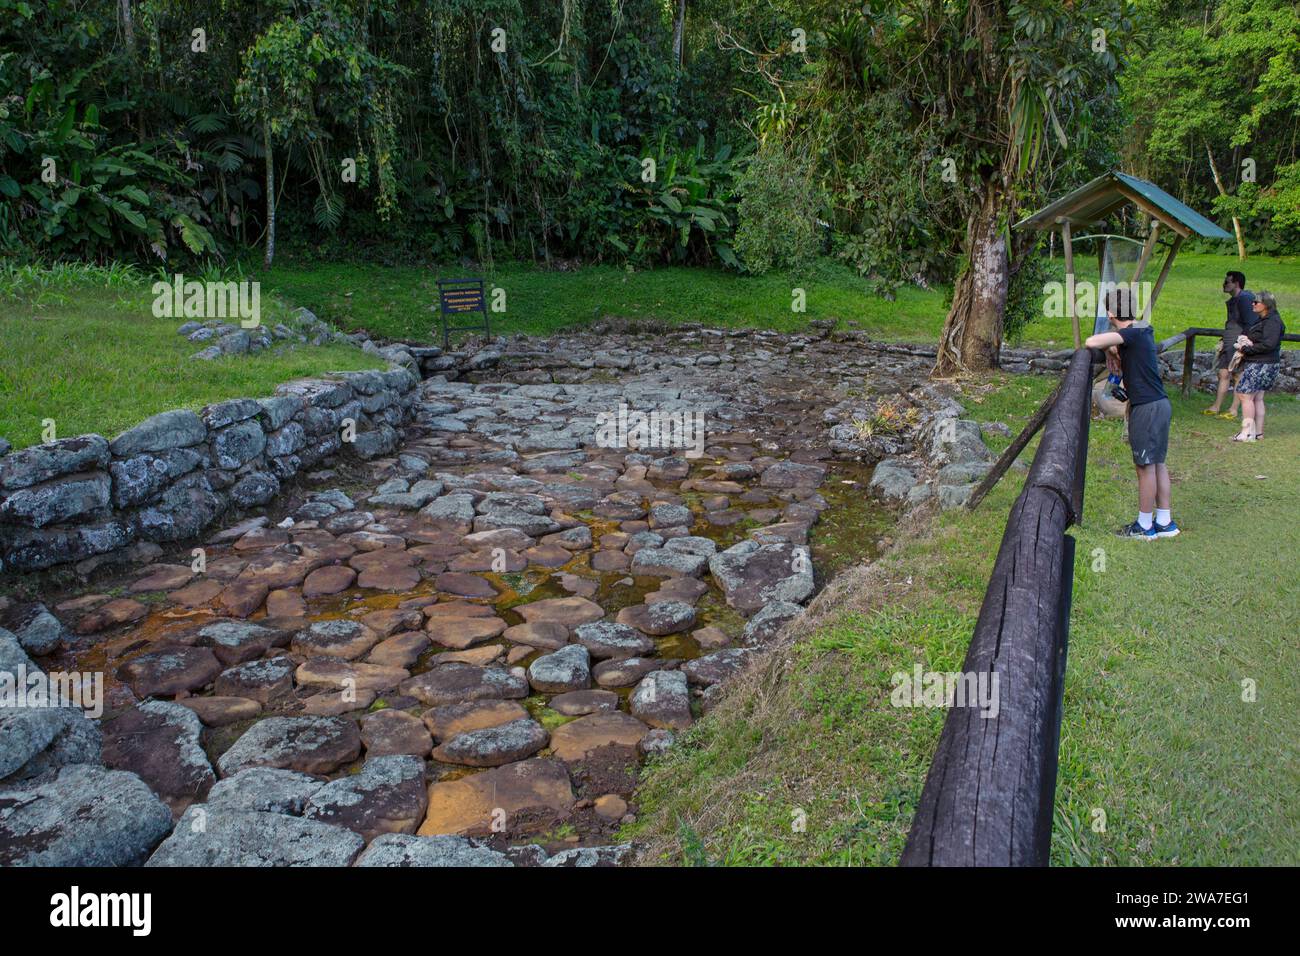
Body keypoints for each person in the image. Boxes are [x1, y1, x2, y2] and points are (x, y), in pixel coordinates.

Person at [1085, 290, 1179, 539]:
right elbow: (1121, 347)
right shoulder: (1141, 331)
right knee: (1157, 463)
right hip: (1159, 404)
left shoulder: (1130, 333)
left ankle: (1145, 526)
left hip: (1147, 408)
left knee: (1144, 466)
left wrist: (1106, 346)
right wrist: (1113, 351)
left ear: (1110, 313)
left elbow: (1090, 342)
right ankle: (1165, 521)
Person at [1231, 290, 1285, 442]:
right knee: (1257, 398)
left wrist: (1246, 348)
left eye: (1256, 302)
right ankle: (1258, 433)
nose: (1252, 304)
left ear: (1266, 305)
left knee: (1245, 395)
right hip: (1264, 363)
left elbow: (1269, 344)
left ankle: (1247, 433)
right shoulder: (1264, 319)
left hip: (1262, 364)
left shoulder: (1272, 321)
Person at [1204, 271, 1255, 418]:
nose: (1224, 285)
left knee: (1237, 374)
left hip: (1238, 342)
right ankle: (1216, 406)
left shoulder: (1245, 299)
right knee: (1223, 373)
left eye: (1227, 282)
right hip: (1229, 340)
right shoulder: (1235, 300)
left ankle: (1233, 409)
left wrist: (1242, 343)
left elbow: (1250, 323)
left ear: (1236, 284)